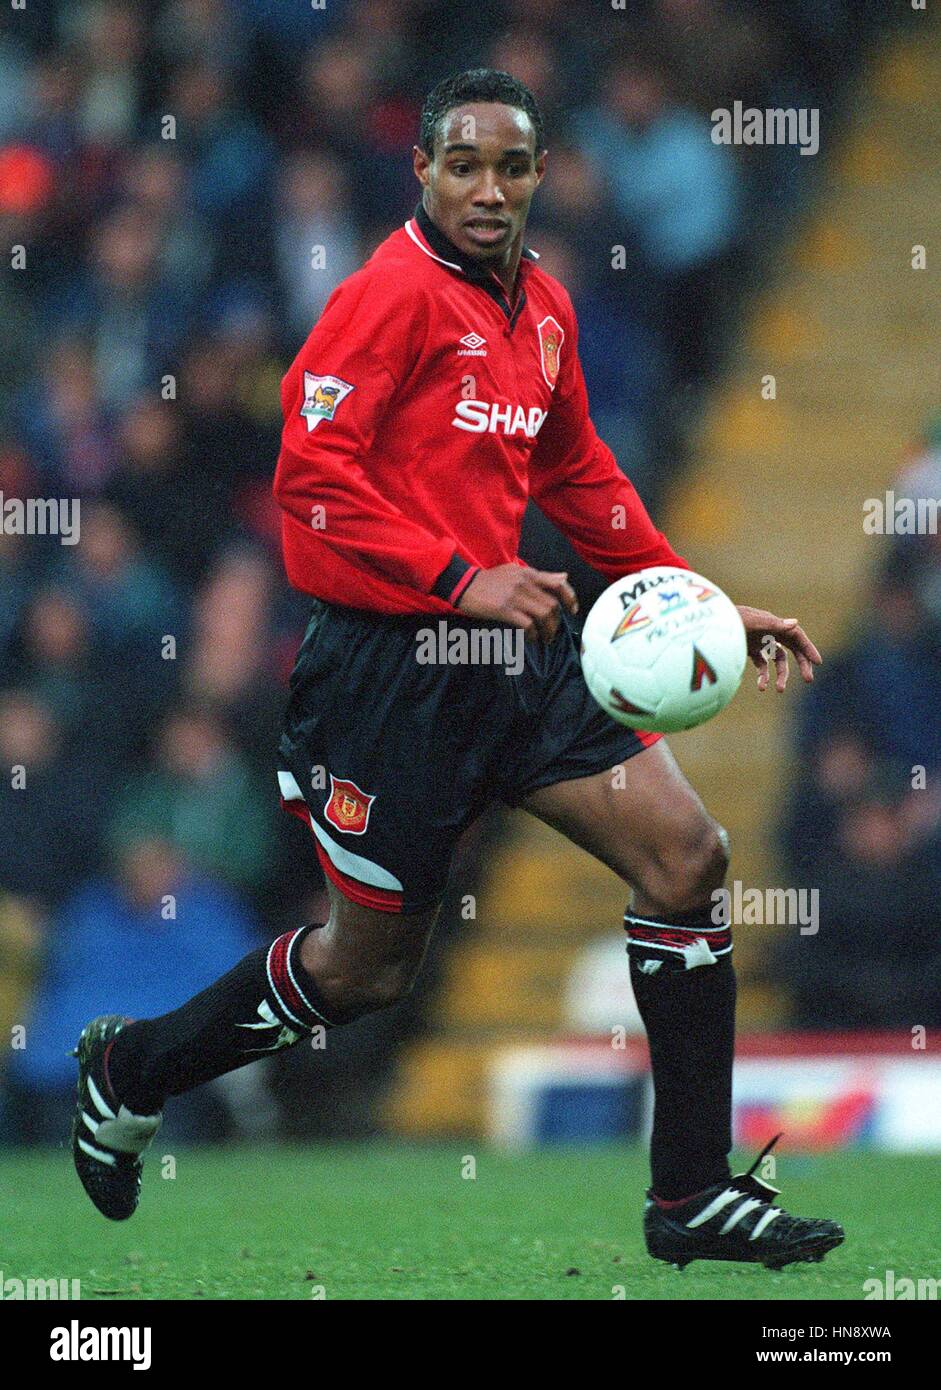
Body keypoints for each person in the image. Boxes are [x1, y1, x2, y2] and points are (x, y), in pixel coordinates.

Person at [71, 69, 842, 1270]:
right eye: (465, 164)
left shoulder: (542, 307)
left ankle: (688, 1194)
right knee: (362, 970)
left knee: (686, 856)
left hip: (516, 656)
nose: (490, 189)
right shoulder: (385, 298)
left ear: (539, 176)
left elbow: (580, 476)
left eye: (512, 166)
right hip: (391, 673)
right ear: (422, 170)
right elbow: (310, 481)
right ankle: (132, 1069)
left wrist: (693, 605)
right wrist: (458, 577)